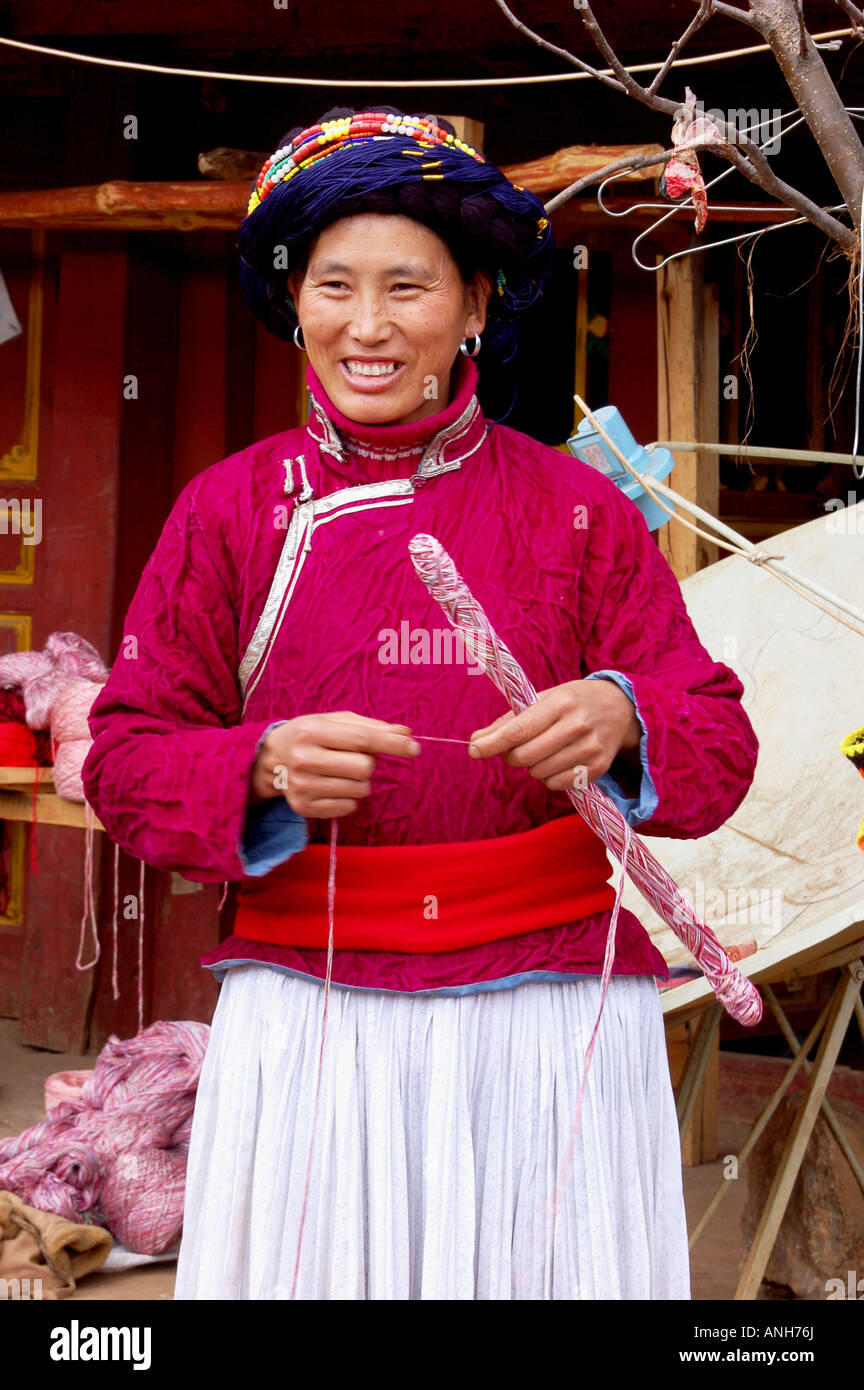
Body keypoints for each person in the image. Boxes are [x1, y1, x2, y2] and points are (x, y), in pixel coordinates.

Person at [82, 106, 759, 1301]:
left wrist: (622, 715)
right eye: (335, 285)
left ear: (480, 308)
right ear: (297, 302)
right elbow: (126, 757)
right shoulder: (231, 510)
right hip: (311, 1014)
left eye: (411, 287)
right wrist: (260, 764)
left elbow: (716, 736)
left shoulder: (576, 510)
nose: (370, 325)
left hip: (551, 1016)